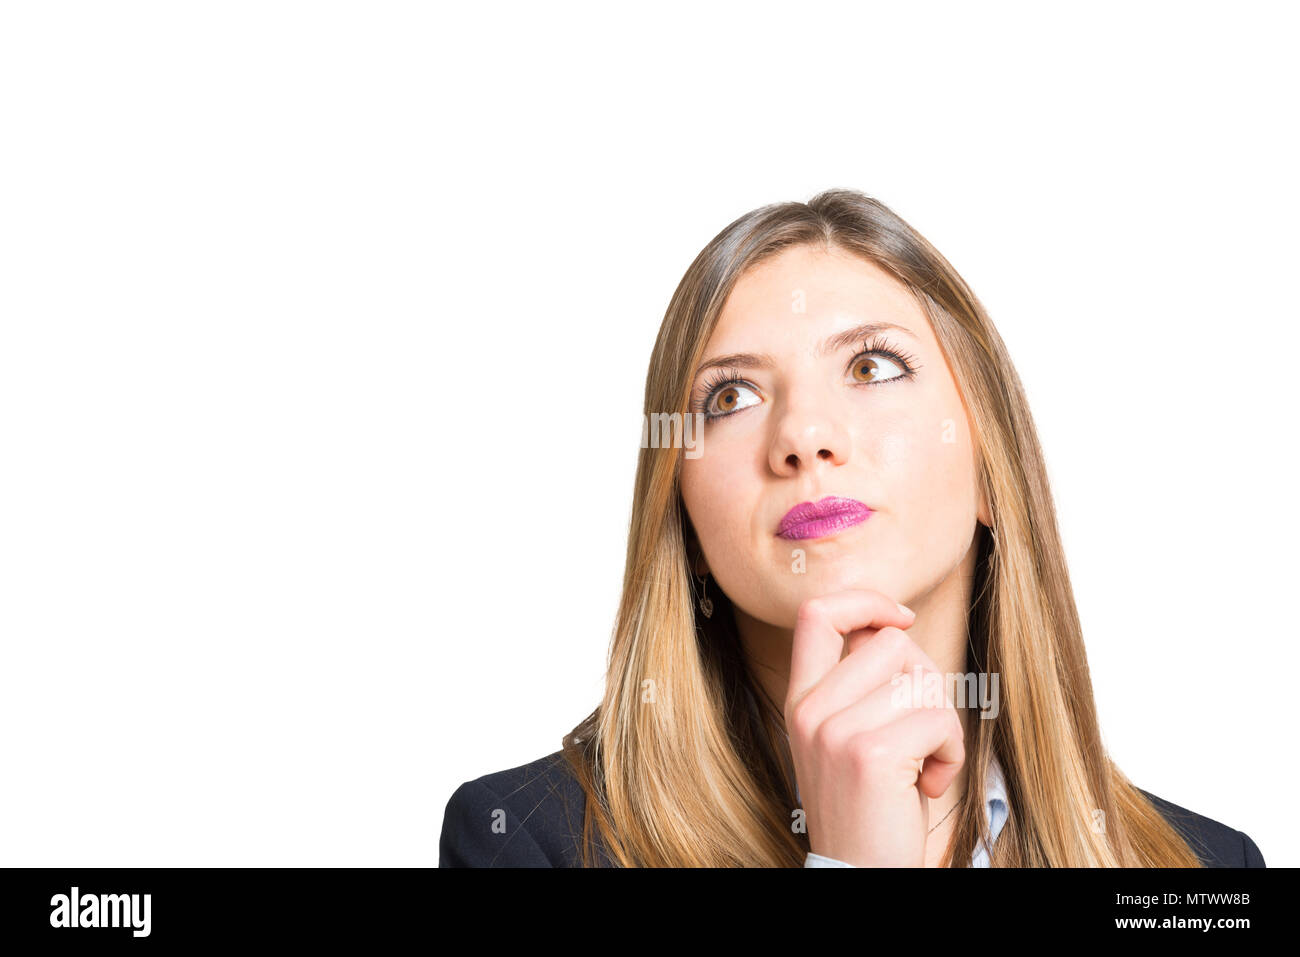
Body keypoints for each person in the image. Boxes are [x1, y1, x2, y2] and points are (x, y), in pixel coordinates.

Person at [439, 189, 1266, 868]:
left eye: (872, 366)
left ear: (989, 469)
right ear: (683, 517)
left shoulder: (1205, 871)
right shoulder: (525, 842)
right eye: (729, 397)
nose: (803, 434)